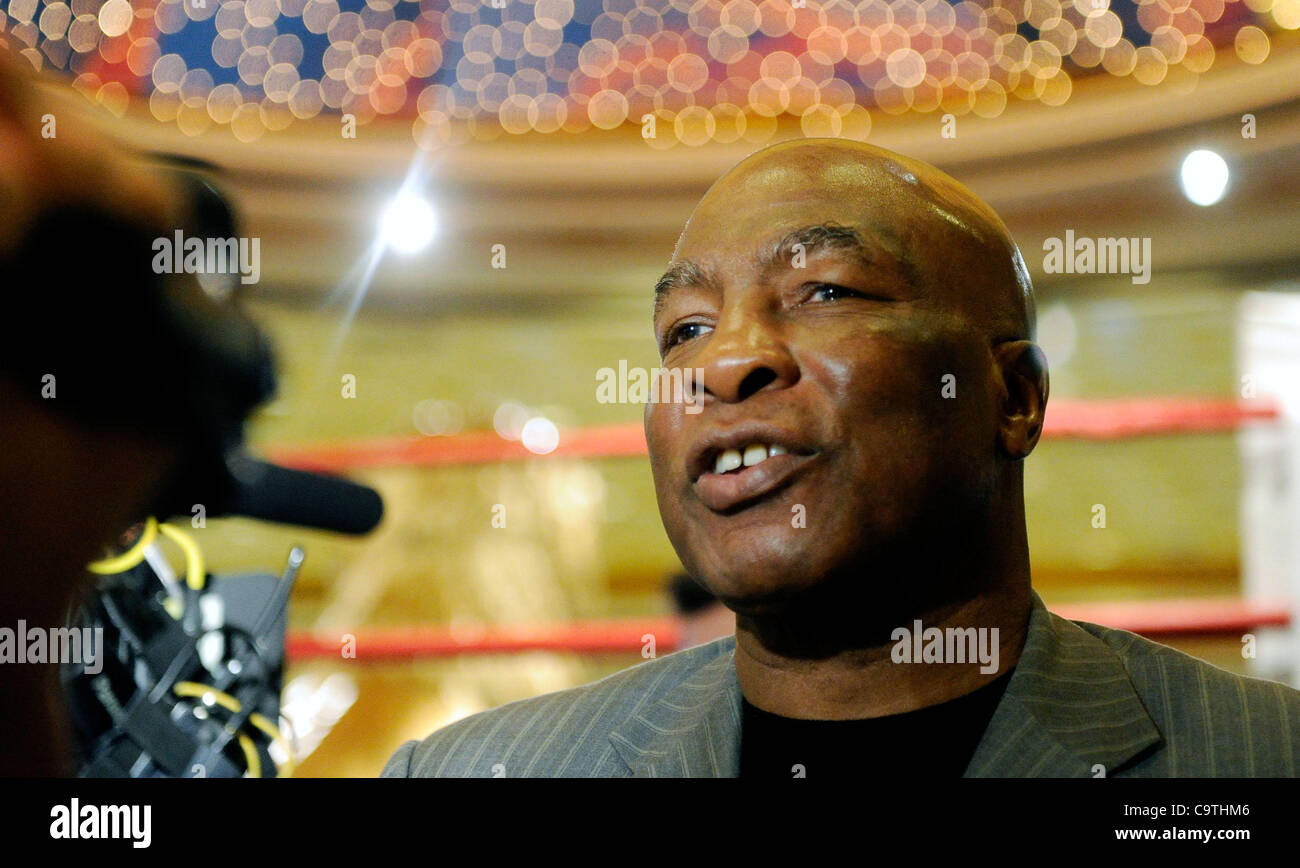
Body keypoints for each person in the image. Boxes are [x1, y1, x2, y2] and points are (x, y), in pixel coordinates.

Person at [383, 138, 1300, 778]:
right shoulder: (473, 771)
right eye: (685, 329)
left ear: (1013, 399)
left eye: (823, 290)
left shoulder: (1256, 762)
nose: (727, 361)